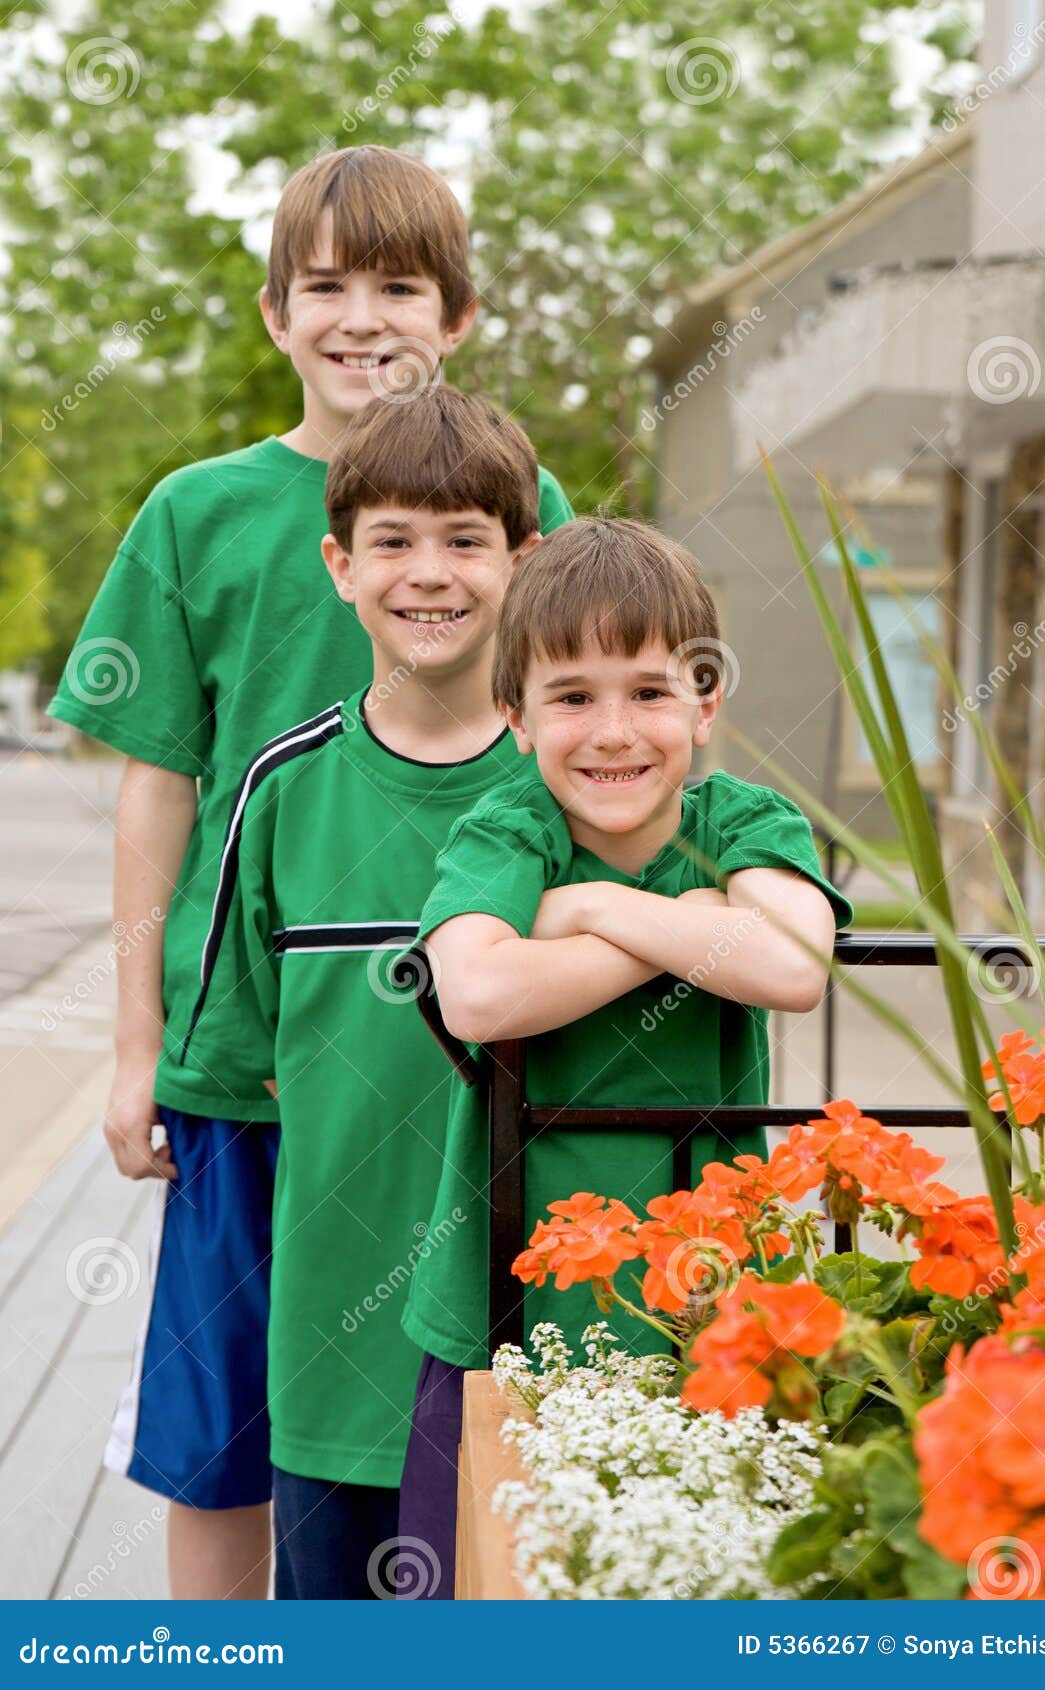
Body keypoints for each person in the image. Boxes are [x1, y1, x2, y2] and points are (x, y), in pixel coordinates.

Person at [46, 146, 573, 1600]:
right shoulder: (197, 514)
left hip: (463, 1054)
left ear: (457, 315)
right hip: (252, 1054)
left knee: (450, 1416)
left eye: (399, 285)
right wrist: (136, 1049)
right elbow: (157, 790)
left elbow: (573, 735)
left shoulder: (517, 495)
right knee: (223, 1434)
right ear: (276, 313)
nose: (362, 317)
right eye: (326, 286)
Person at [397, 516, 855, 1596]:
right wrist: (684, 931)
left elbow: (793, 964)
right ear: (516, 719)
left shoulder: (741, 820)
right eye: (571, 697)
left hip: (704, 1302)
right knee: (486, 1585)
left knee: (693, 1585)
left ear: (704, 703)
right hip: (506, 1298)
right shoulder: (510, 827)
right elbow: (476, 992)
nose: (613, 732)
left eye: (649, 691)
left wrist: (592, 911)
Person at [169, 384, 551, 1597]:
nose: (427, 573)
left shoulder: (573, 794)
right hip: (332, 1361)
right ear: (340, 565)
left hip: (537, 1357)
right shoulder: (280, 792)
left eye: (465, 540)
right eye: (392, 540)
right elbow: (245, 1067)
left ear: (525, 559)